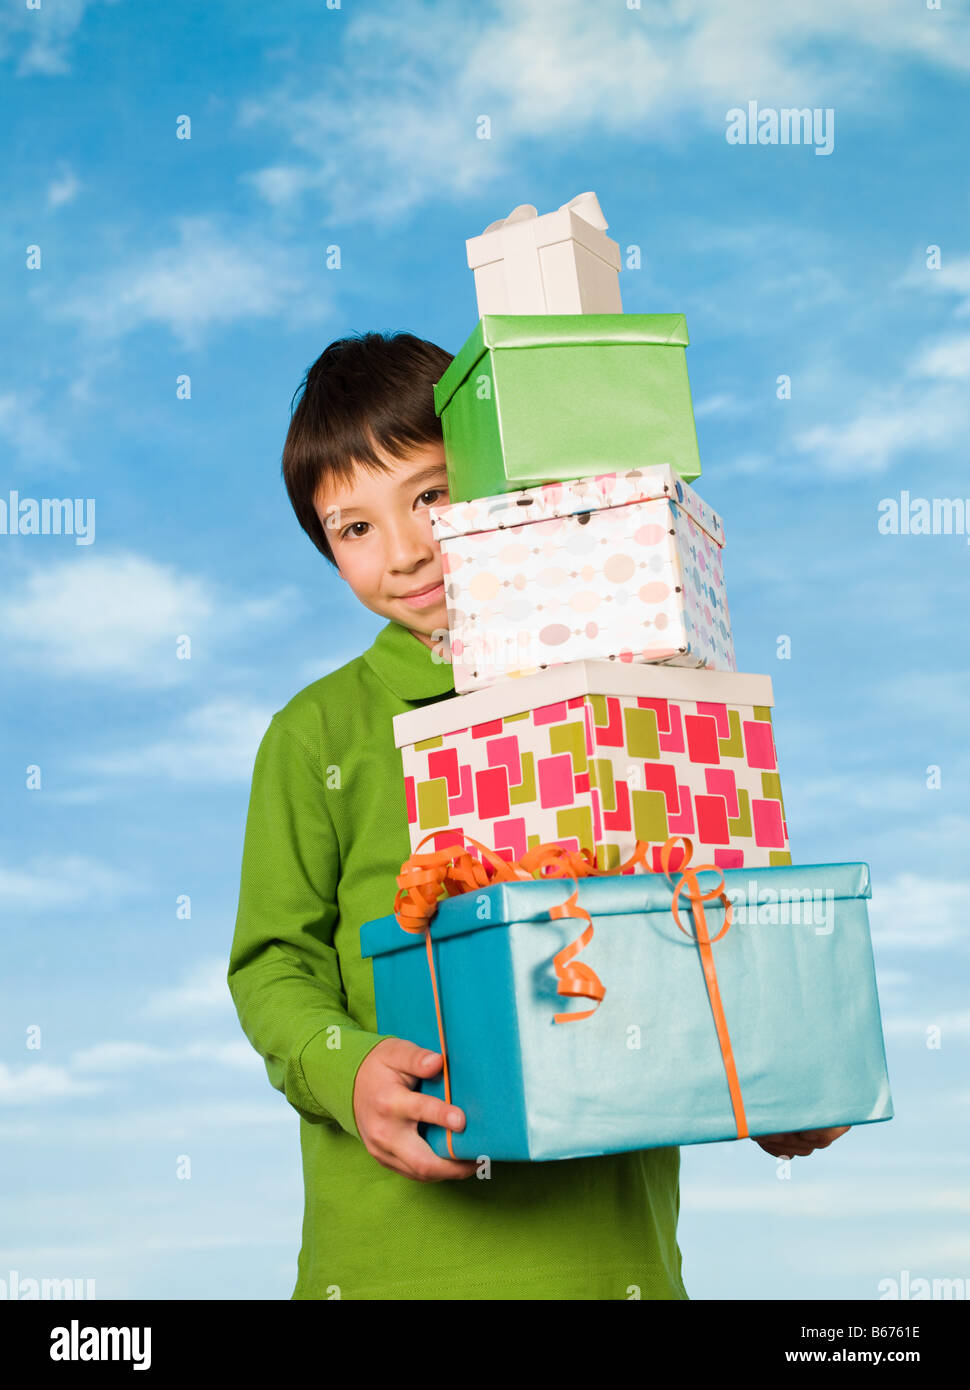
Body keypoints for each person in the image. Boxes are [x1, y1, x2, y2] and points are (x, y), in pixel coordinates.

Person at [227, 330, 848, 1301]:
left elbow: (718, 911)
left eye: (429, 495)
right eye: (352, 528)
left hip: (609, 1263)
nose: (404, 551)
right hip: (387, 1263)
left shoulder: (624, 697)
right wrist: (342, 1067)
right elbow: (274, 961)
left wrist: (776, 1073)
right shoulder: (314, 734)